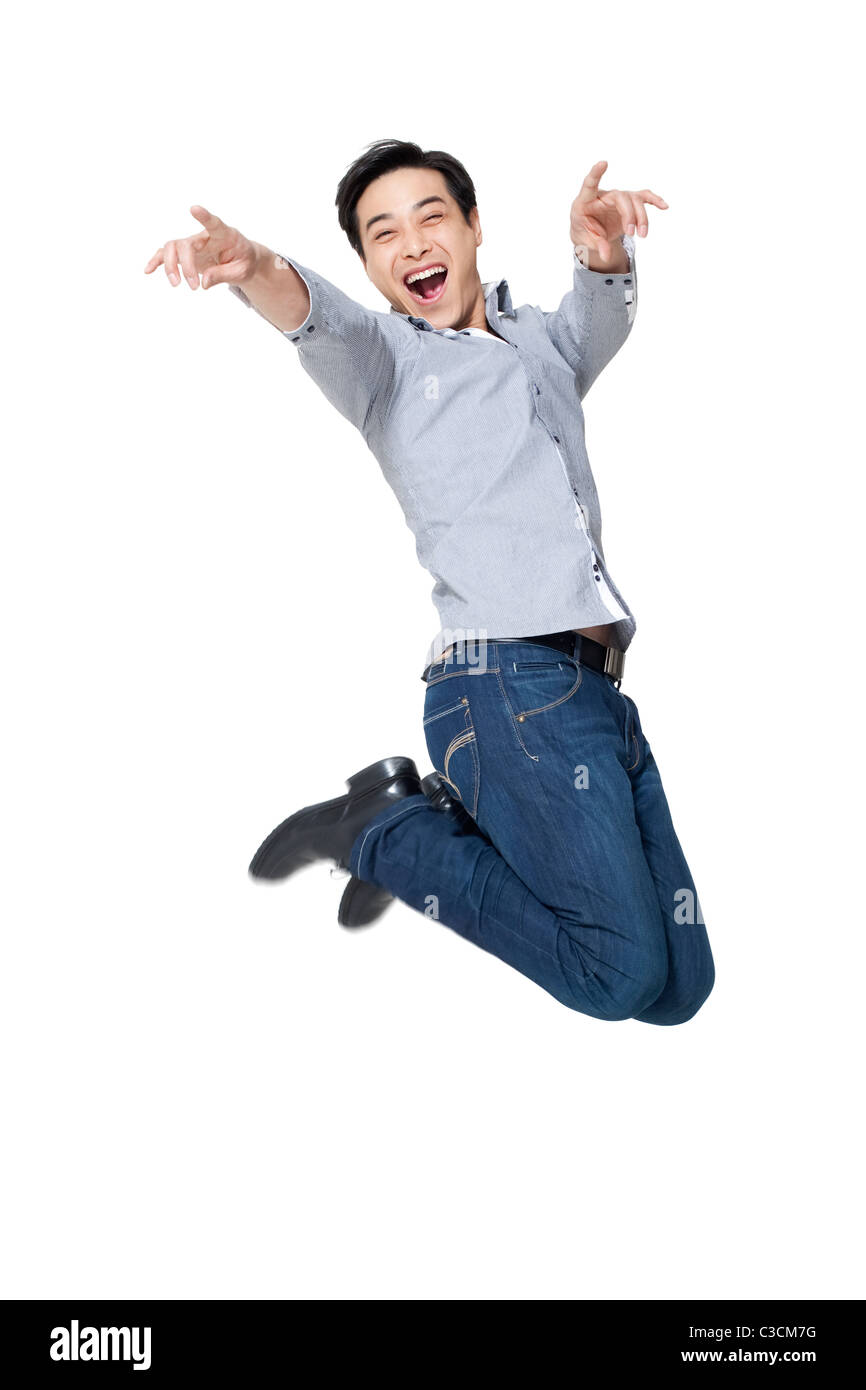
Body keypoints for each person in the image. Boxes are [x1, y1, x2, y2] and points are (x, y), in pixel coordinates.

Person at [144, 140, 715, 1024]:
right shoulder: (384, 362)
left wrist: (601, 250)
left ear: (474, 226)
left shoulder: (537, 345)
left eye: (430, 217)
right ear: (368, 263)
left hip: (599, 691)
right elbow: (312, 316)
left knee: (679, 988)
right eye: (383, 234)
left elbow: (601, 320)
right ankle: (390, 833)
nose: (411, 244)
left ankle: (443, 817)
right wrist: (254, 265)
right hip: (505, 689)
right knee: (618, 977)